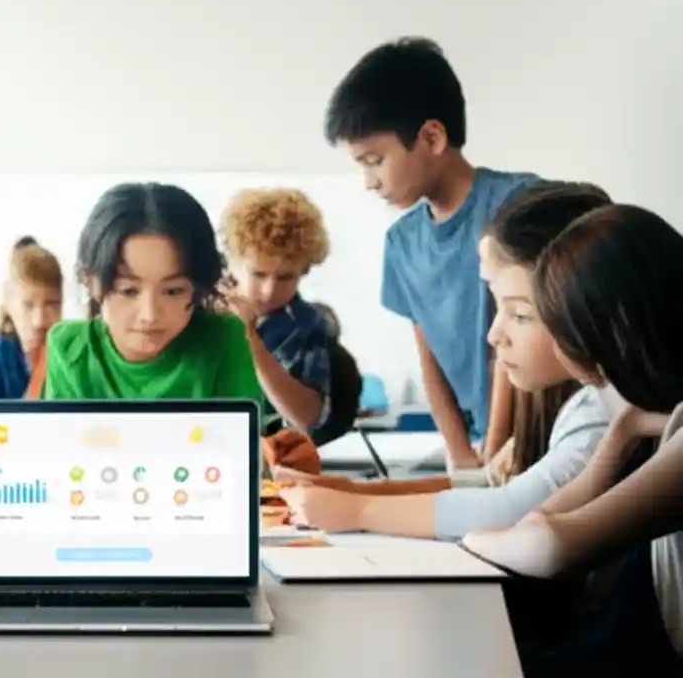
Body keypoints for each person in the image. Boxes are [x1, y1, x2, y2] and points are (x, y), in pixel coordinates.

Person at [281, 181, 612, 540]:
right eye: (497, 306)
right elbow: (484, 486)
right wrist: (346, 490)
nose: (493, 335)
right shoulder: (560, 407)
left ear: (583, 308)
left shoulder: (601, 412)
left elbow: (508, 508)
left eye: (519, 314)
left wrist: (356, 509)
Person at [462, 205, 683, 668]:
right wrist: (620, 436)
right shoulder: (643, 418)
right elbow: (542, 524)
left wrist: (474, 538)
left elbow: (550, 544)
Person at [325, 36, 540, 467]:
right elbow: (430, 359)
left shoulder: (520, 205)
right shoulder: (402, 243)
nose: (369, 182)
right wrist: (458, 451)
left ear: (432, 137)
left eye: (375, 161)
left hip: (538, 435)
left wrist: (499, 441)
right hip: (482, 446)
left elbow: (519, 334)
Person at [41, 183, 265, 404]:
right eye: (128, 291)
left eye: (173, 291)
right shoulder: (69, 348)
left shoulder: (224, 339)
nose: (150, 315)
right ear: (90, 281)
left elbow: (242, 427)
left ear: (199, 285)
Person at [219, 188, 332, 433]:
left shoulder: (307, 325)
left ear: (303, 272)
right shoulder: (196, 307)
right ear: (231, 262)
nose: (269, 291)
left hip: (269, 450)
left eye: (285, 277)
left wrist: (250, 339)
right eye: (258, 274)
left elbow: (307, 418)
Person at [0, 236, 64, 399]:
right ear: (9, 306)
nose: (39, 321)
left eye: (52, 305)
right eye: (28, 306)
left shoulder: (72, 354)